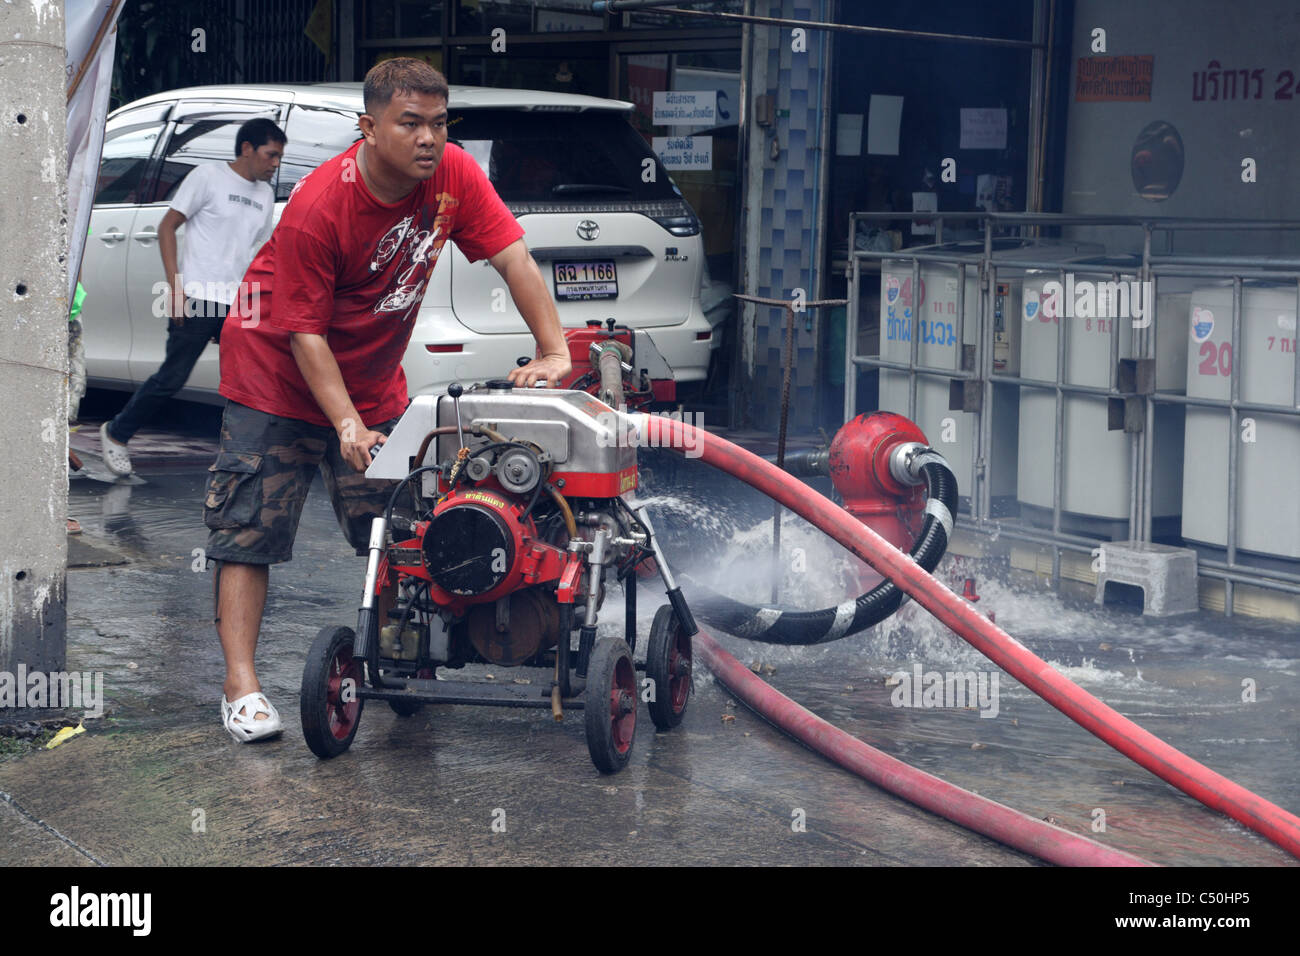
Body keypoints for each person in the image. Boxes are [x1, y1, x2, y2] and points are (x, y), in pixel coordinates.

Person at [204, 58, 571, 742]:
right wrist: (344, 424)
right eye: (410, 124)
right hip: (273, 374)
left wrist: (555, 353)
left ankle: (406, 657)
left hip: (372, 383)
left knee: (406, 531)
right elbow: (305, 333)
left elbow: (514, 259)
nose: (428, 139)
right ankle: (242, 688)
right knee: (250, 530)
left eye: (438, 123)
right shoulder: (322, 205)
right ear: (369, 128)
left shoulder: (453, 176)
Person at [99, 119, 285, 476]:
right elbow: (167, 226)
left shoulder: (264, 195)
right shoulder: (207, 177)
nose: (275, 163)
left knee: (249, 378)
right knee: (173, 377)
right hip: (197, 294)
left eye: (279, 156)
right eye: (270, 154)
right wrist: (176, 288)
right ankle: (117, 432)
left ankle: (244, 453)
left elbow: (254, 251)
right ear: (247, 148)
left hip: (237, 300)